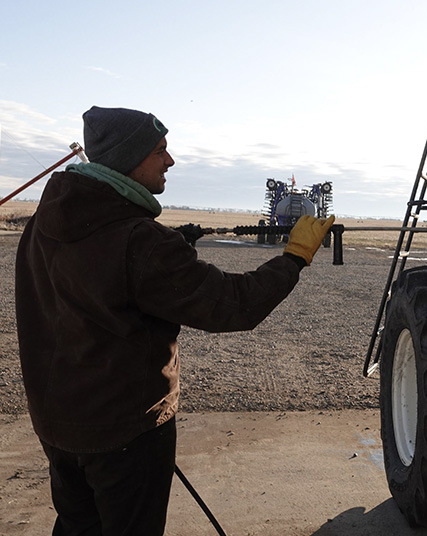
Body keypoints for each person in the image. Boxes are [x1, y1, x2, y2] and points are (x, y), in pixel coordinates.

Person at [15, 106, 335, 536]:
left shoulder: (43, 223)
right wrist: (294, 257)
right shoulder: (140, 242)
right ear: (128, 158)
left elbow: (98, 282)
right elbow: (233, 304)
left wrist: (174, 245)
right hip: (124, 435)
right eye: (159, 150)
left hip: (57, 425)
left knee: (76, 526)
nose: (170, 160)